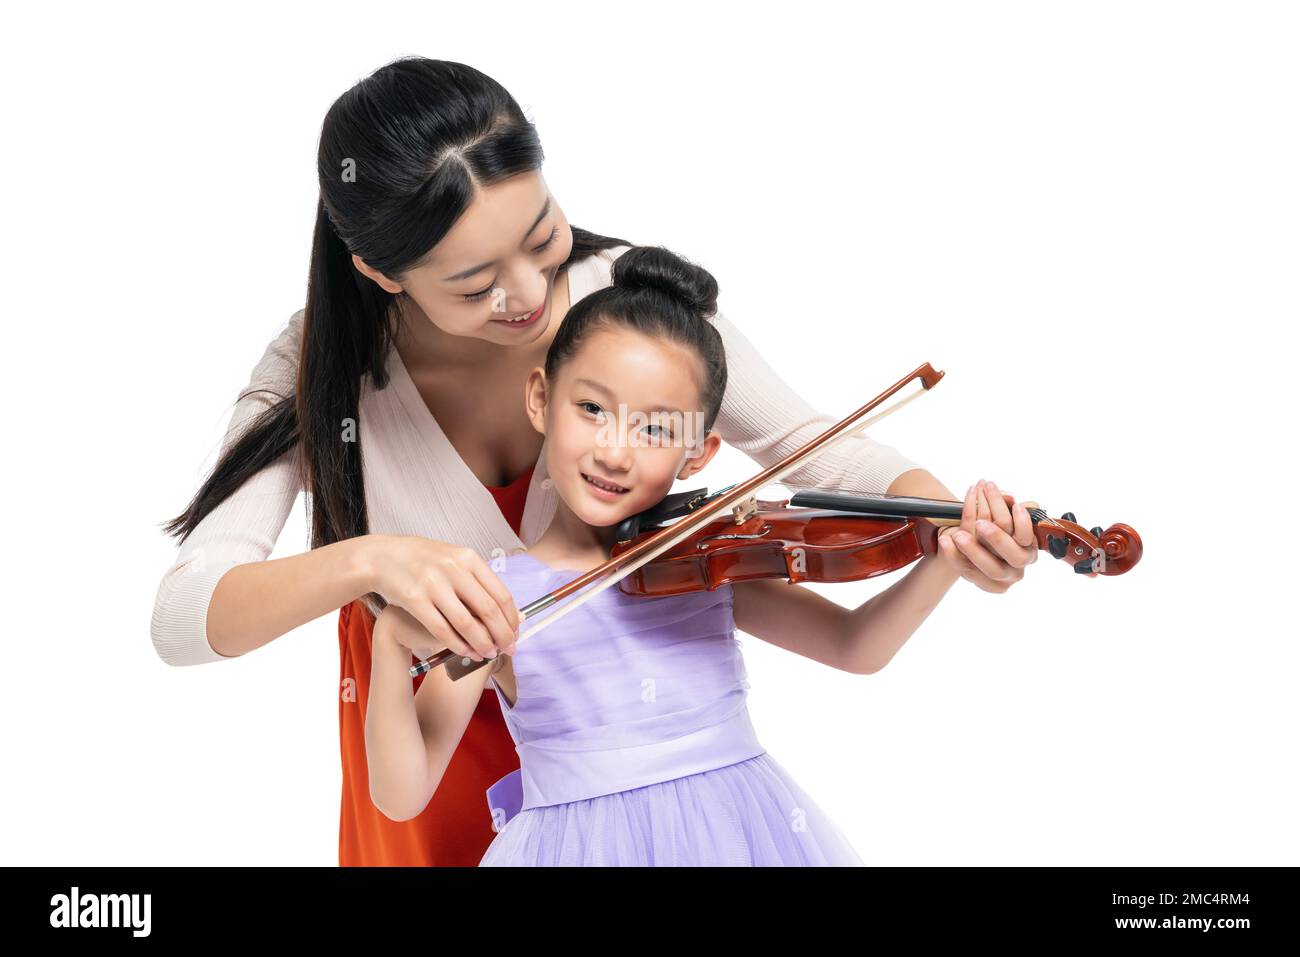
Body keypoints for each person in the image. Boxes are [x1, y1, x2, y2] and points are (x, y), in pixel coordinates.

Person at [153, 57, 1038, 867]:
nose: (532, 295)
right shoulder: (314, 363)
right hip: (433, 710)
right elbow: (185, 613)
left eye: (542, 235)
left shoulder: (635, 303)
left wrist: (954, 526)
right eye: (474, 284)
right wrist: (374, 565)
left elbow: (826, 450)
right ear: (381, 273)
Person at [365, 245, 1008, 865]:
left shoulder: (703, 564)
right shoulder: (495, 594)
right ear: (540, 399)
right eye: (592, 408)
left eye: (657, 429)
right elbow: (402, 795)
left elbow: (854, 646)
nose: (615, 452)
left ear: (698, 454)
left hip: (740, 834)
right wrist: (391, 642)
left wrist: (949, 556)